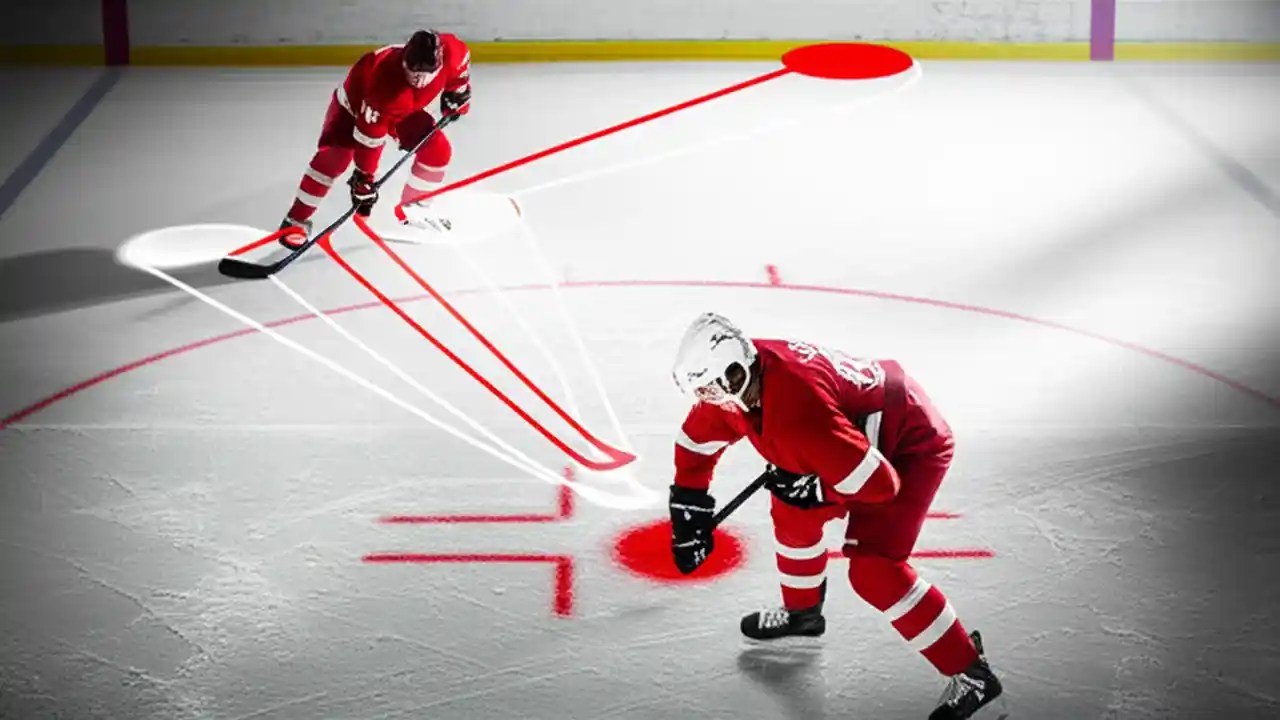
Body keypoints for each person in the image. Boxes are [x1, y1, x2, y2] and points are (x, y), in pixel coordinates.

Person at [667, 312, 1003, 720]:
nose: (706, 398)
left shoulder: (799, 418)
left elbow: (882, 484)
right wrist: (688, 510)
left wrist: (816, 487)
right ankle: (803, 614)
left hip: (909, 442)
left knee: (874, 569)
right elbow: (695, 444)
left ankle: (972, 672)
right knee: (792, 512)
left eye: (708, 389)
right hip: (854, 435)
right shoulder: (744, 377)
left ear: (733, 376)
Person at [277, 29, 472, 247]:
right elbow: (369, 141)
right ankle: (295, 220)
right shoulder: (385, 87)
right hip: (351, 108)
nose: (418, 79)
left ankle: (416, 205)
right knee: (334, 159)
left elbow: (459, 80)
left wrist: (458, 97)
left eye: (426, 73)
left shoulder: (454, 52)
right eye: (412, 71)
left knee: (437, 150)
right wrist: (364, 179)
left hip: (404, 109)